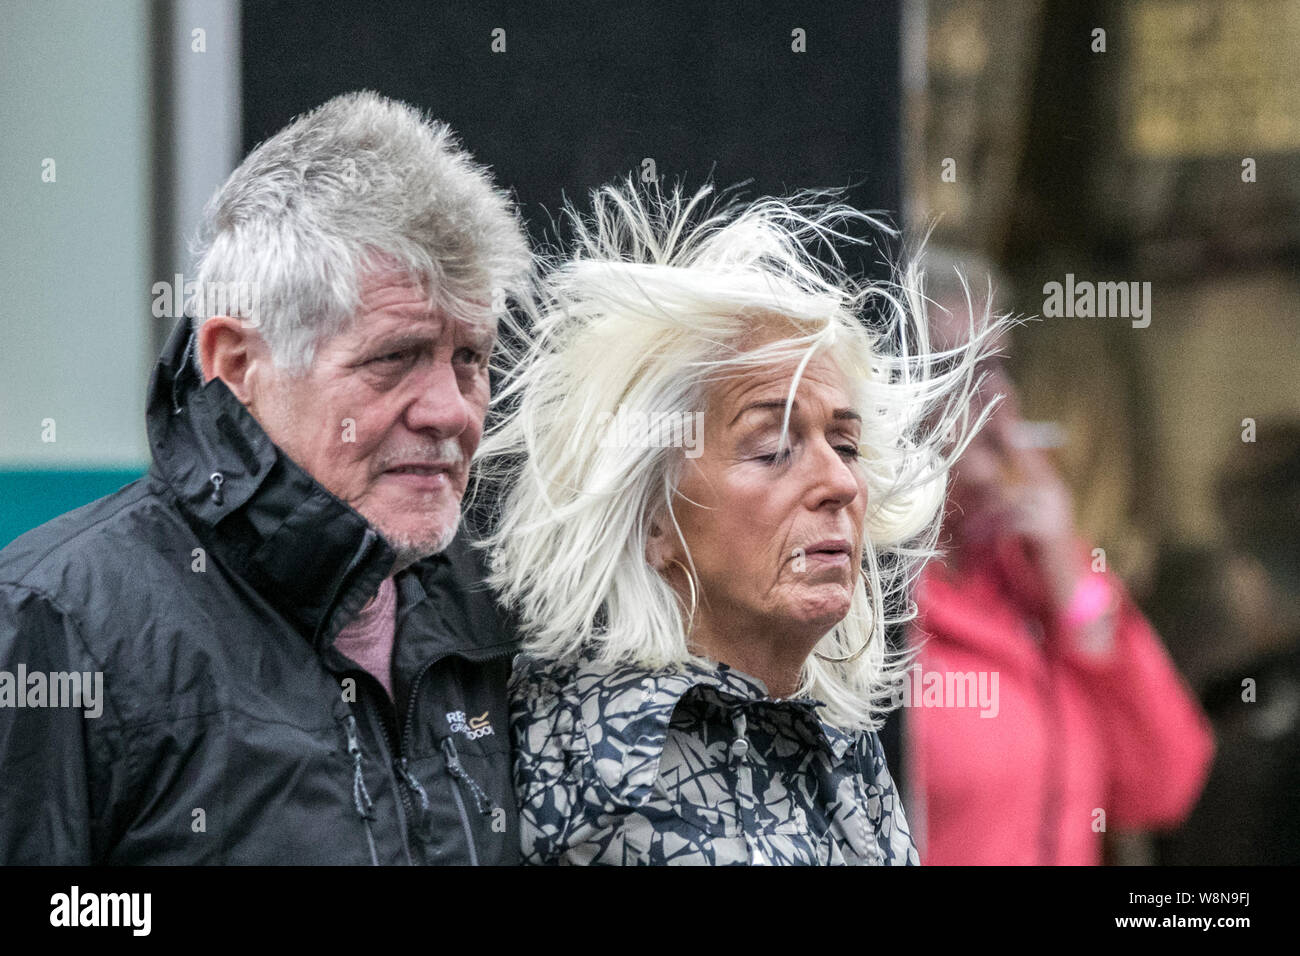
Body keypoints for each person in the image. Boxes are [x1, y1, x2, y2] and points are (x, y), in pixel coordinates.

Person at [0, 92, 532, 864]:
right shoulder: (50, 628)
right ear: (238, 363)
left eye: (470, 360)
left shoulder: (510, 606)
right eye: (394, 358)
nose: (450, 412)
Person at [474, 182, 1002, 865]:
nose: (840, 483)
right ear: (653, 518)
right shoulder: (603, 771)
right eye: (773, 449)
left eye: (845, 446)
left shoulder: (834, 745)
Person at [905, 360, 1216, 865]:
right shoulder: (876, 610)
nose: (995, 399)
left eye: (997, 369)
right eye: (951, 365)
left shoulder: (1039, 576)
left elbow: (1163, 788)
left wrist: (1071, 583)